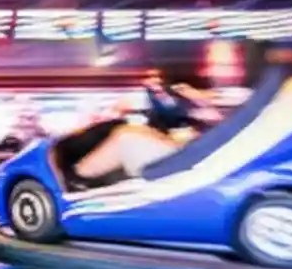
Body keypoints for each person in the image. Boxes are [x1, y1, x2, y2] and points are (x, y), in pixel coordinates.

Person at [73, 70, 223, 185]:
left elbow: (218, 107)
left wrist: (198, 98)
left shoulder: (212, 104)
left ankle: (78, 180)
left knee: (126, 137)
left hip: (199, 160)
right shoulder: (179, 105)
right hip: (195, 150)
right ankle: (83, 176)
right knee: (129, 131)